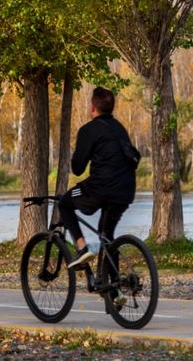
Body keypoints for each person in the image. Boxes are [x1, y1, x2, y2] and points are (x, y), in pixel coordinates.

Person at [60, 86, 139, 269]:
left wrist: (77, 152)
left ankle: (81, 248)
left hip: (100, 188)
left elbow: (77, 168)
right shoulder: (119, 128)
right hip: (126, 191)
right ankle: (113, 288)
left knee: (64, 203)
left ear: (93, 107)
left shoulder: (89, 130)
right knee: (107, 235)